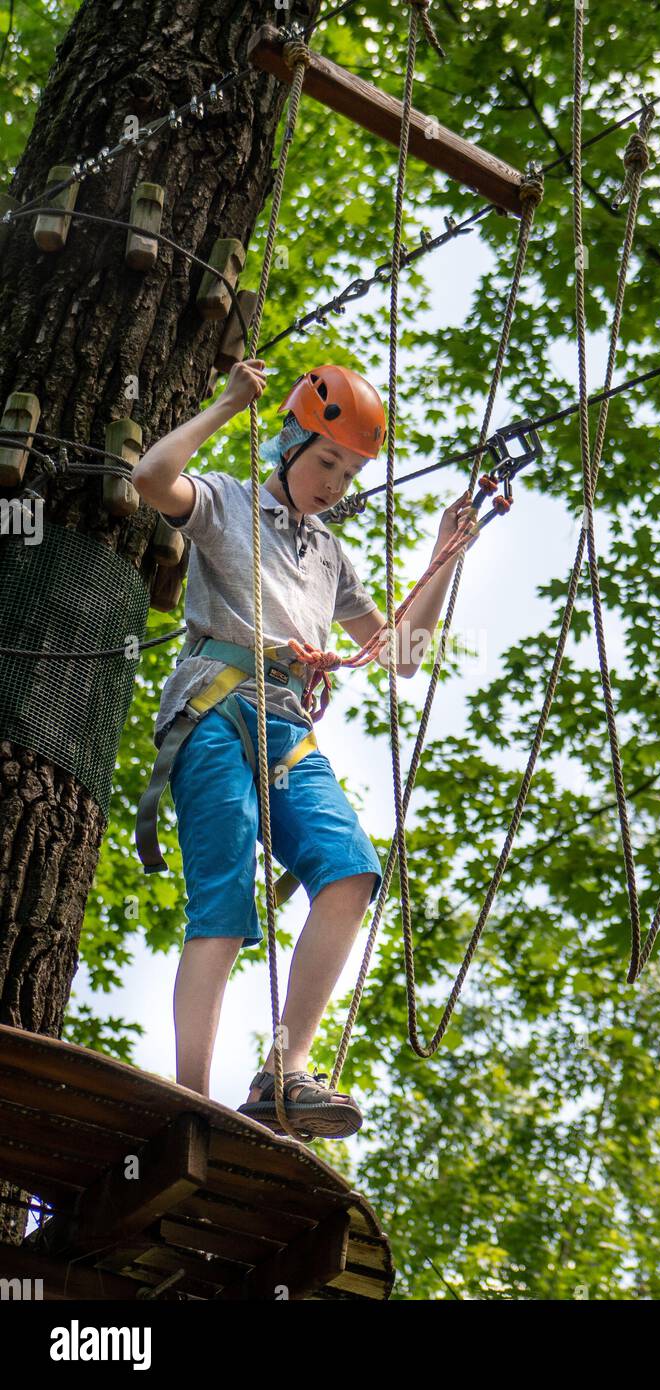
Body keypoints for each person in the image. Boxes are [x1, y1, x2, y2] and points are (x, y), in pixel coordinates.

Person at [132, 359, 476, 1141]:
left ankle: (286, 1071)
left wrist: (444, 556)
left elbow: (403, 652)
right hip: (215, 707)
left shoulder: (329, 556)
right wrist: (226, 405)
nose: (336, 483)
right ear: (288, 443)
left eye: (350, 473)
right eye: (327, 462)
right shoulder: (225, 502)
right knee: (221, 897)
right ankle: (194, 1098)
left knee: (351, 870)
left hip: (285, 724)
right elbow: (153, 477)